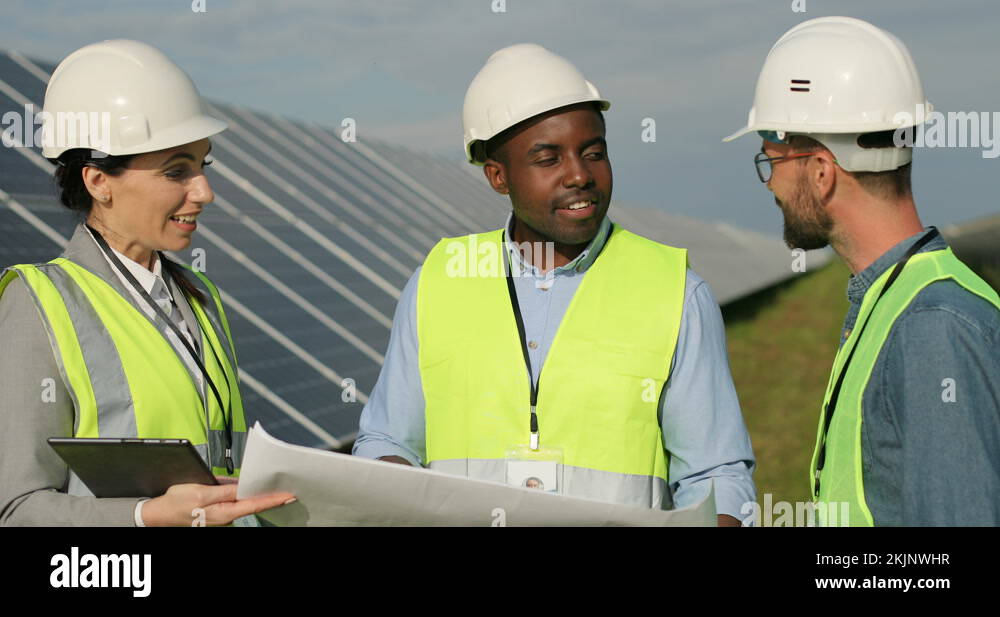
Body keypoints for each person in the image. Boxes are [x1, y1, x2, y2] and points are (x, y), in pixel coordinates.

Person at [354, 43, 756, 526]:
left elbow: (716, 478)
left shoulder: (675, 293)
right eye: (548, 159)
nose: (580, 175)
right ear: (498, 177)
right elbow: (387, 440)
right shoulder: (437, 283)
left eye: (594, 153)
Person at [0, 40, 293, 526]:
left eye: (203, 166)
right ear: (98, 181)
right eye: (176, 171)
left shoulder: (201, 296)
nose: (204, 192)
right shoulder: (37, 303)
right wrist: (144, 516)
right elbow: (15, 509)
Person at [724, 17, 1000, 526]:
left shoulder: (930, 328)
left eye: (772, 162)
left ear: (822, 171)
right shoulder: (892, 302)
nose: (771, 187)